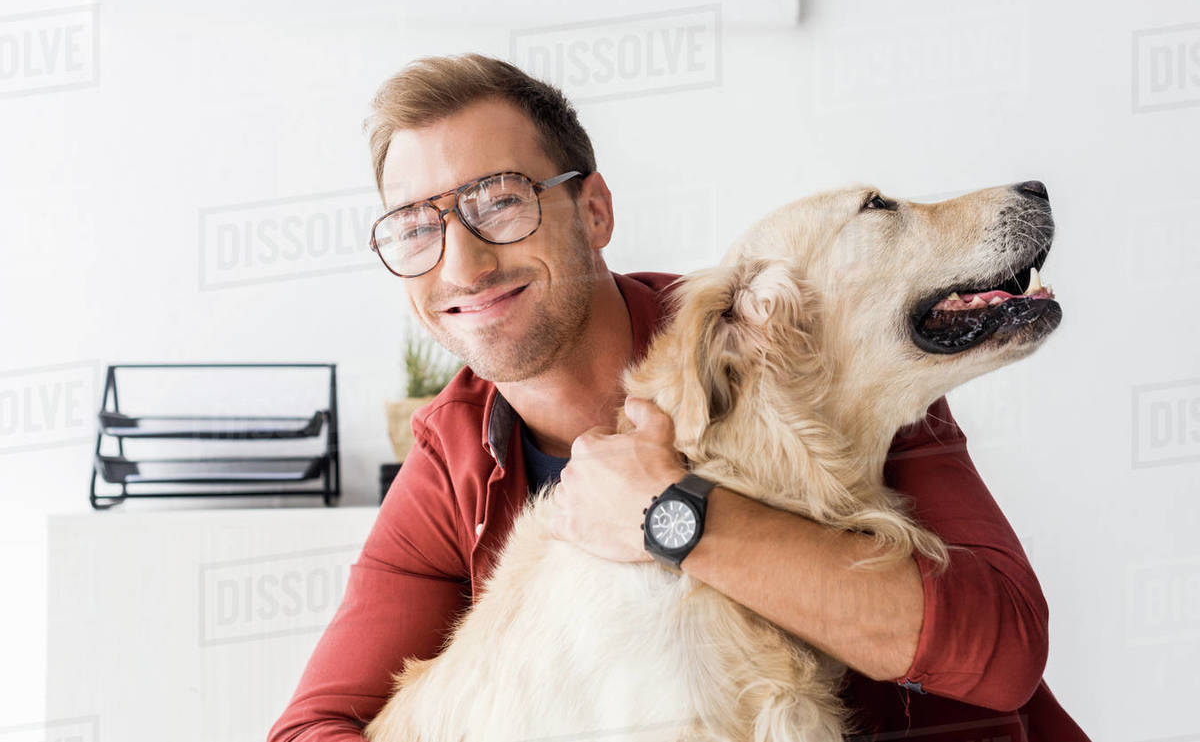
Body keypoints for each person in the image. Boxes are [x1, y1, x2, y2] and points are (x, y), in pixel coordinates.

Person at [267, 54, 1090, 742]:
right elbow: (311, 727)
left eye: (501, 200)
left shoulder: (810, 354)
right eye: (416, 224)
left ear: (594, 209)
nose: (463, 263)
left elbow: (1003, 646)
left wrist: (673, 518)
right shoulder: (452, 454)